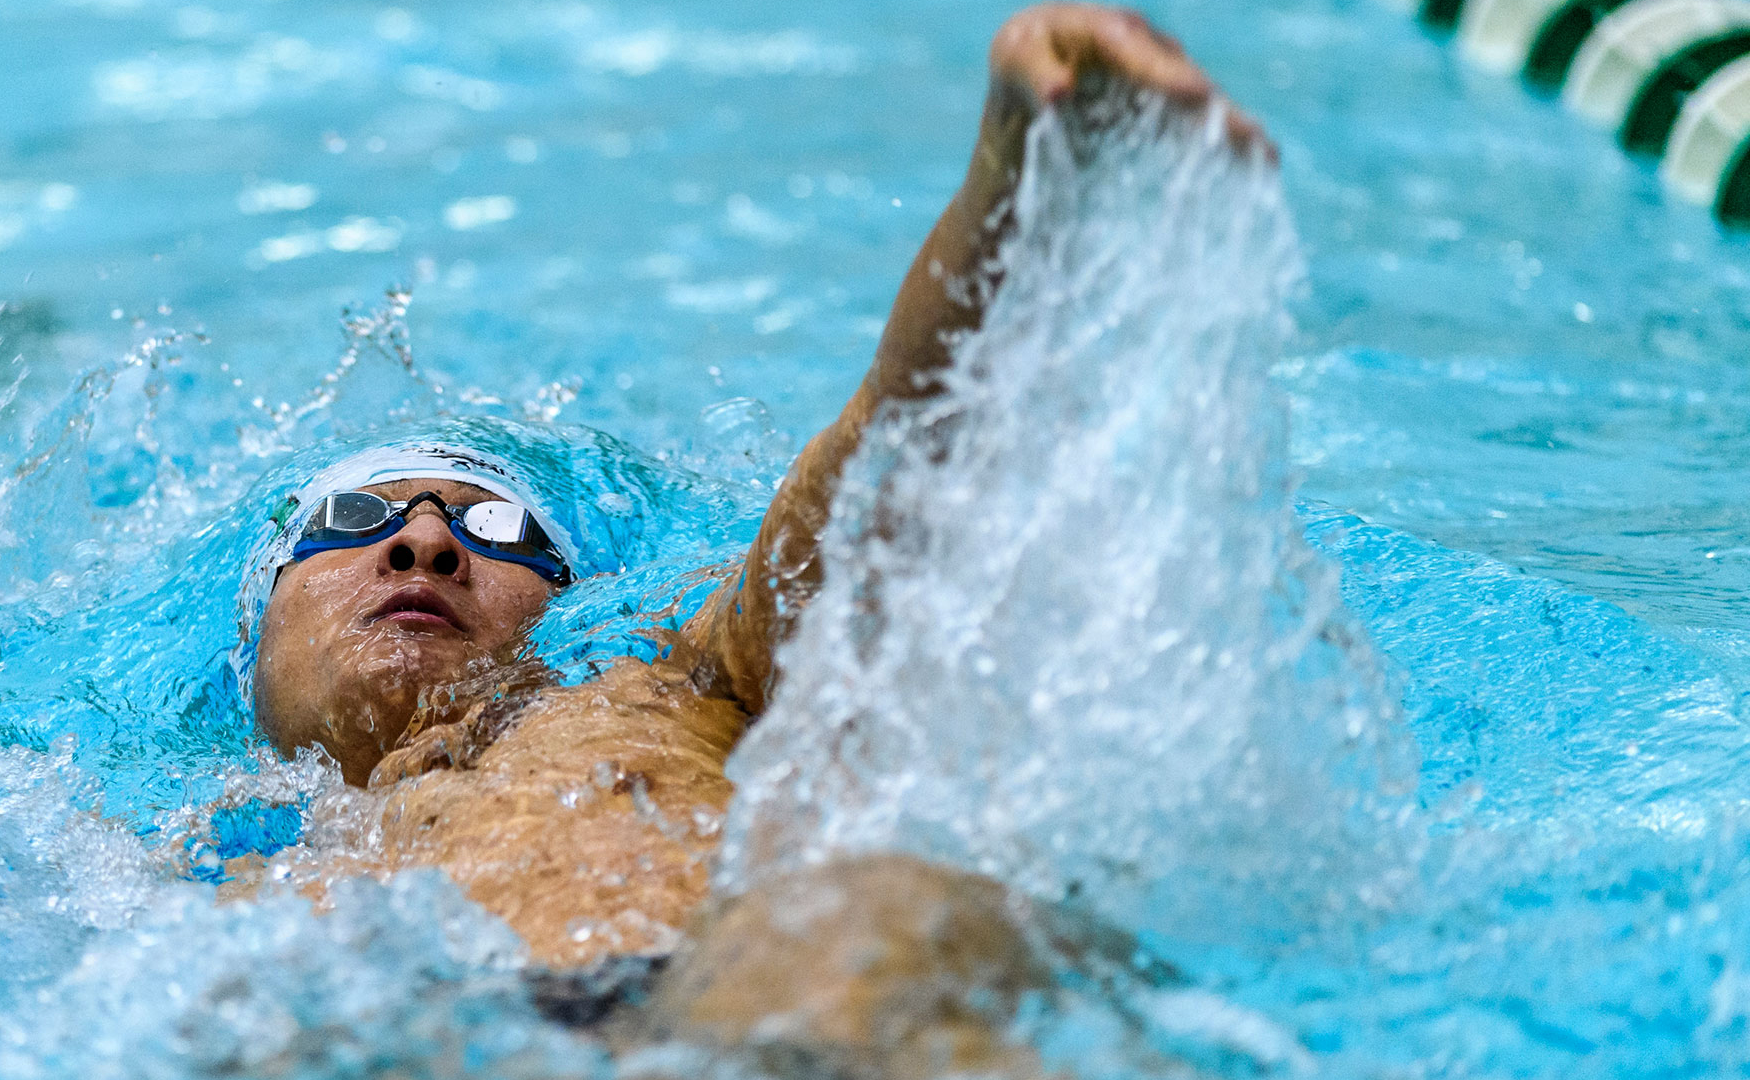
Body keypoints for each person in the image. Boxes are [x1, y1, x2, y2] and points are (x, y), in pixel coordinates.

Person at [235, 2, 1266, 1068]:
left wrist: (1013, 164)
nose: (426, 543)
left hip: (755, 1005)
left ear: (562, 611)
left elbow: (886, 452)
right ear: (258, 628)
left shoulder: (672, 688)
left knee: (876, 916)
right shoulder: (176, 875)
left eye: (497, 529)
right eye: (351, 520)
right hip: (425, 1042)